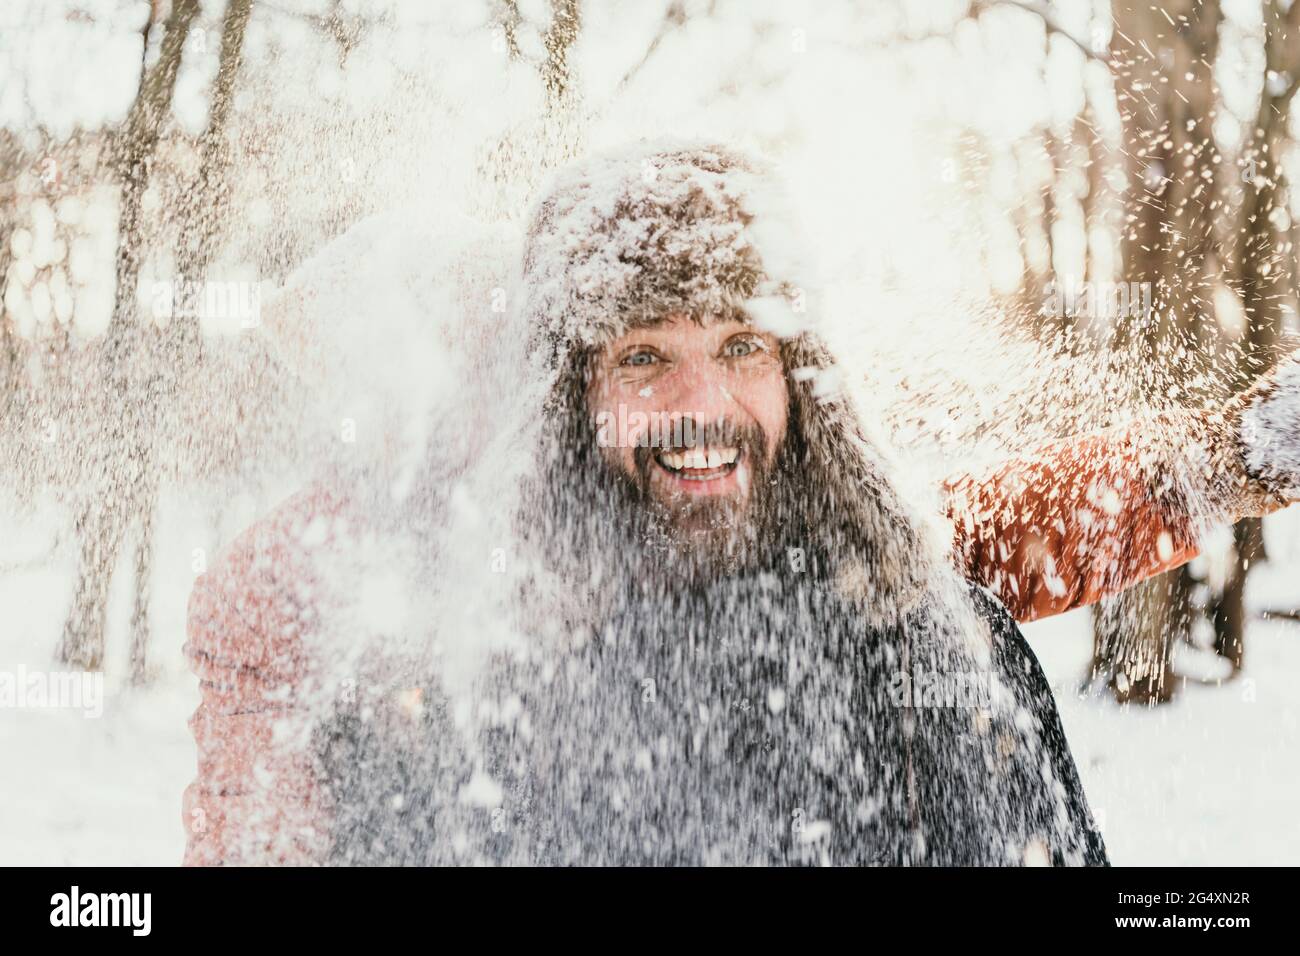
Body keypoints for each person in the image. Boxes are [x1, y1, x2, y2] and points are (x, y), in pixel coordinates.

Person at [182, 142, 1299, 866]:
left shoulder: (814, 539)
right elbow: (258, 816)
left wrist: (1219, 461)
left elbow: (975, 534)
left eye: (739, 341)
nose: (697, 401)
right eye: (640, 354)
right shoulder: (358, 601)